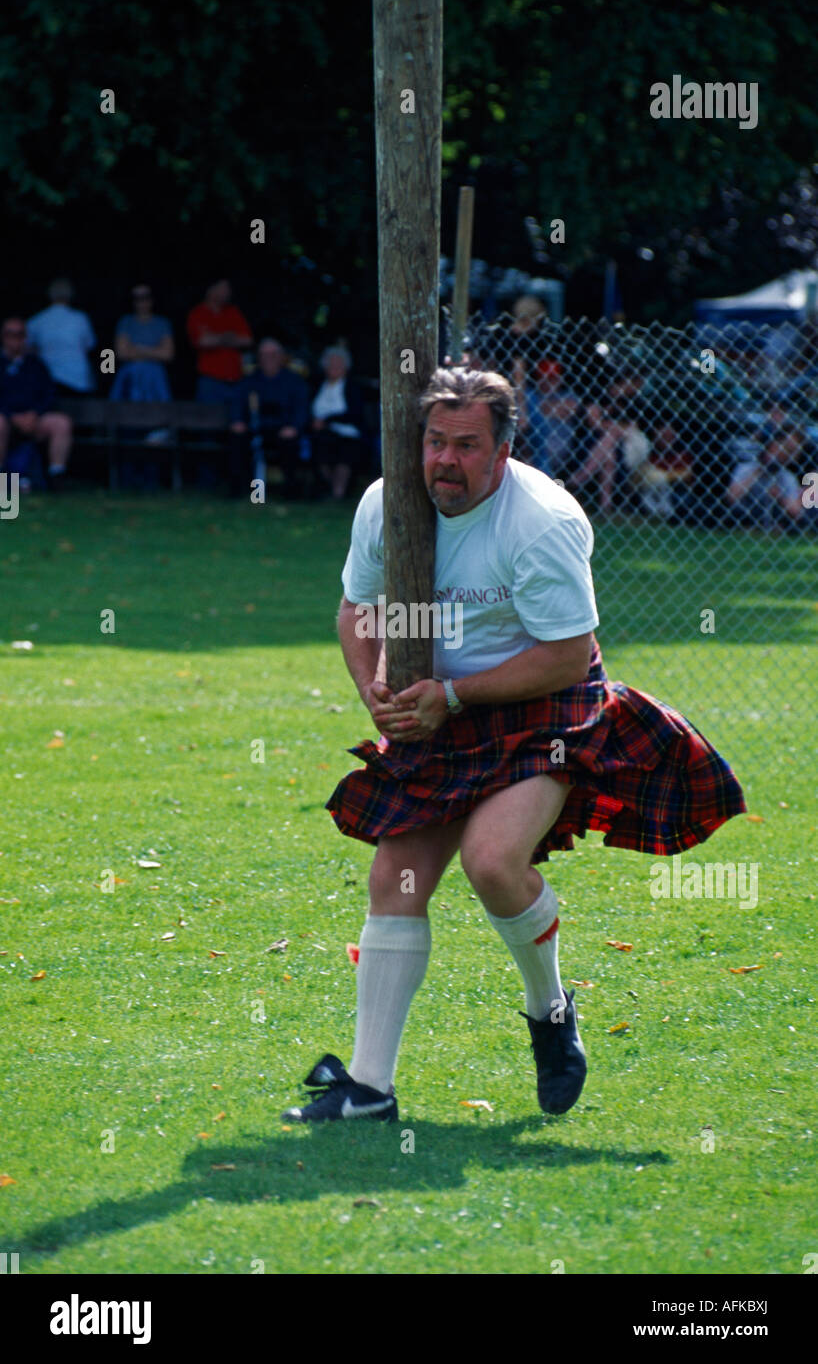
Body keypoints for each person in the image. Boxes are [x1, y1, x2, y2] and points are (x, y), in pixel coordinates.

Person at [282, 367, 747, 1123]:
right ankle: (369, 1089)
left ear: (502, 451)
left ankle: (550, 1011)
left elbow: (568, 656)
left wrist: (454, 694)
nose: (445, 461)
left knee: (493, 861)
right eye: (435, 442)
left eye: (466, 446)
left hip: (542, 708)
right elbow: (357, 608)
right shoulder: (387, 505)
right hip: (439, 712)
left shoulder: (542, 521)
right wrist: (374, 686)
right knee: (394, 879)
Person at [229, 338, 310, 498]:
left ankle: (290, 490)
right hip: (255, 429)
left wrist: (294, 427)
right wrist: (237, 421)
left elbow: (302, 409)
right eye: (264, 355)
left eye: (273, 354)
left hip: (283, 429)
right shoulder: (250, 380)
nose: (268, 359)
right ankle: (241, 490)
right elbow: (237, 404)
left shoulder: (294, 381)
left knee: (291, 443)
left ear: (281, 357)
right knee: (237, 440)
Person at [0, 317, 73, 491]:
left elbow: (49, 394)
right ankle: (2, 479)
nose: (15, 339)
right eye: (10, 334)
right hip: (6, 419)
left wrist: (35, 413)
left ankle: (57, 476)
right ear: (3, 337)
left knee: (61, 423)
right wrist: (12, 415)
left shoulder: (36, 365)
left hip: (34, 419)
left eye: (20, 334)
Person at [309, 345, 368, 499]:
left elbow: (355, 413)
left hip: (347, 431)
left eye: (338, 364)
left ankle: (338, 492)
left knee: (346, 449)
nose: (334, 367)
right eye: (331, 364)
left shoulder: (352, 387)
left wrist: (328, 420)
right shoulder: (316, 385)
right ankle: (327, 487)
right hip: (320, 432)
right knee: (320, 445)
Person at [27, 278, 96, 398]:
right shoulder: (80, 319)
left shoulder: (36, 320)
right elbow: (89, 345)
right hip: (51, 381)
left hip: (74, 381)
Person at [186, 279, 253, 403]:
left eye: (228, 289)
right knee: (208, 418)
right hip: (210, 381)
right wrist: (229, 337)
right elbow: (202, 341)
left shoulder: (233, 312)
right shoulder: (198, 313)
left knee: (237, 419)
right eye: (223, 288)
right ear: (210, 290)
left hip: (235, 379)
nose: (227, 292)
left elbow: (247, 340)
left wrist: (216, 339)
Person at [110, 284, 175, 403]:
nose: (142, 302)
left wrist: (138, 349)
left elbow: (167, 354)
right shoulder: (126, 322)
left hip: (156, 377)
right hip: (130, 375)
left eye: (145, 297)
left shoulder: (162, 323)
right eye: (137, 298)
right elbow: (121, 353)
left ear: (152, 299)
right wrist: (154, 351)